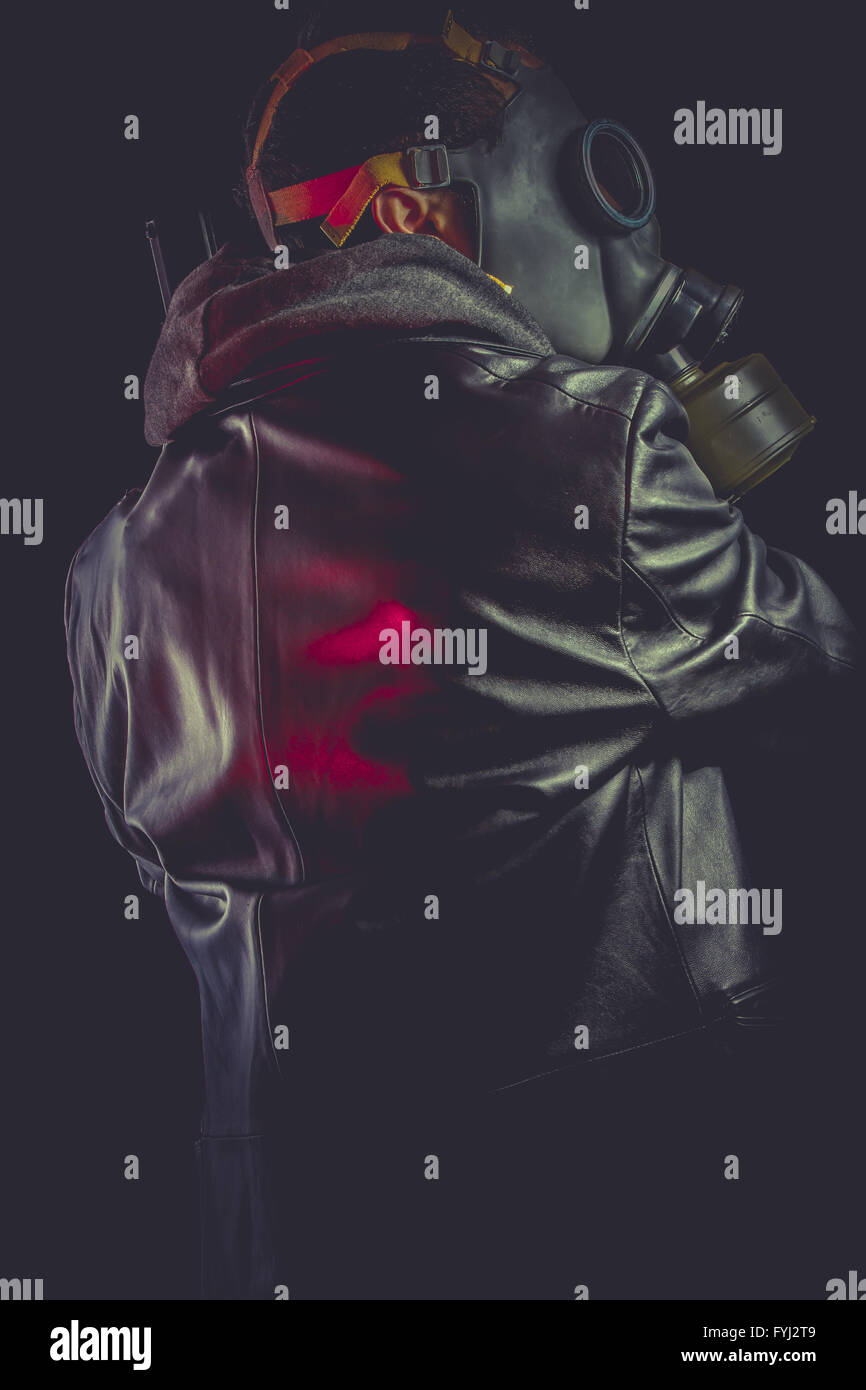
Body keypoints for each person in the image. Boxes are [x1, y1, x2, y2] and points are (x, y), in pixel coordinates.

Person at [64, 0, 860, 1299]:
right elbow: (825, 673)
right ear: (417, 213)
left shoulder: (109, 561)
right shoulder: (595, 451)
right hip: (602, 1205)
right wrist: (687, 389)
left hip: (274, 1229)